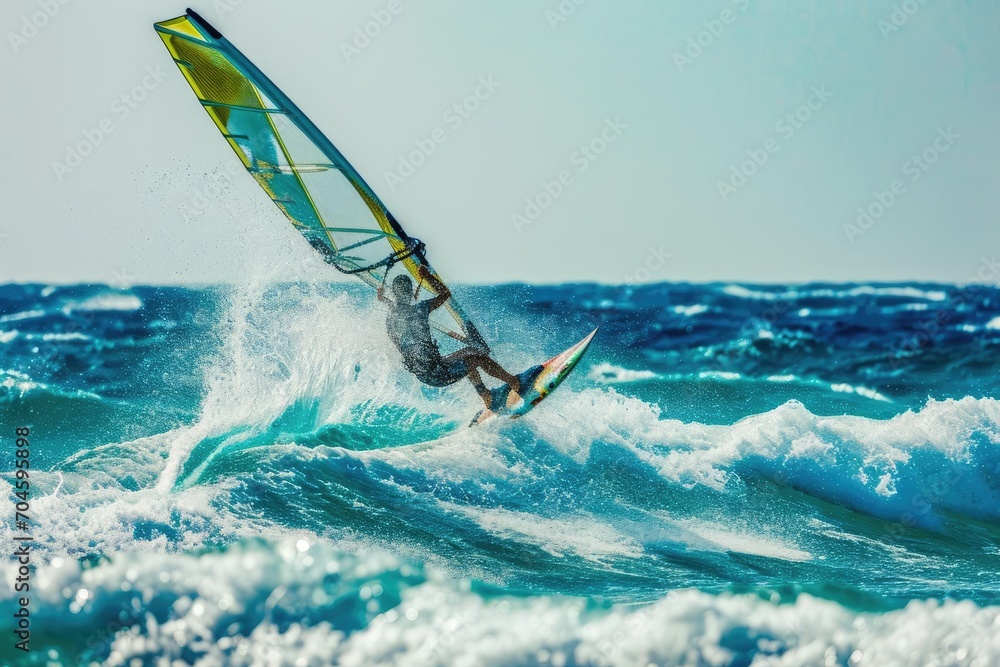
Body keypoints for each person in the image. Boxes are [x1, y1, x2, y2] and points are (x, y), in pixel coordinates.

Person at [378, 264, 522, 409]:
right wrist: (428, 276)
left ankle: (486, 396)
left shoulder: (391, 320)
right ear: (410, 293)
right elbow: (445, 293)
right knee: (479, 357)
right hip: (439, 373)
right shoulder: (421, 309)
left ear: (394, 294)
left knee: (468, 353)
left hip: (425, 374)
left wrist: (386, 301)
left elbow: (402, 320)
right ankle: (514, 382)